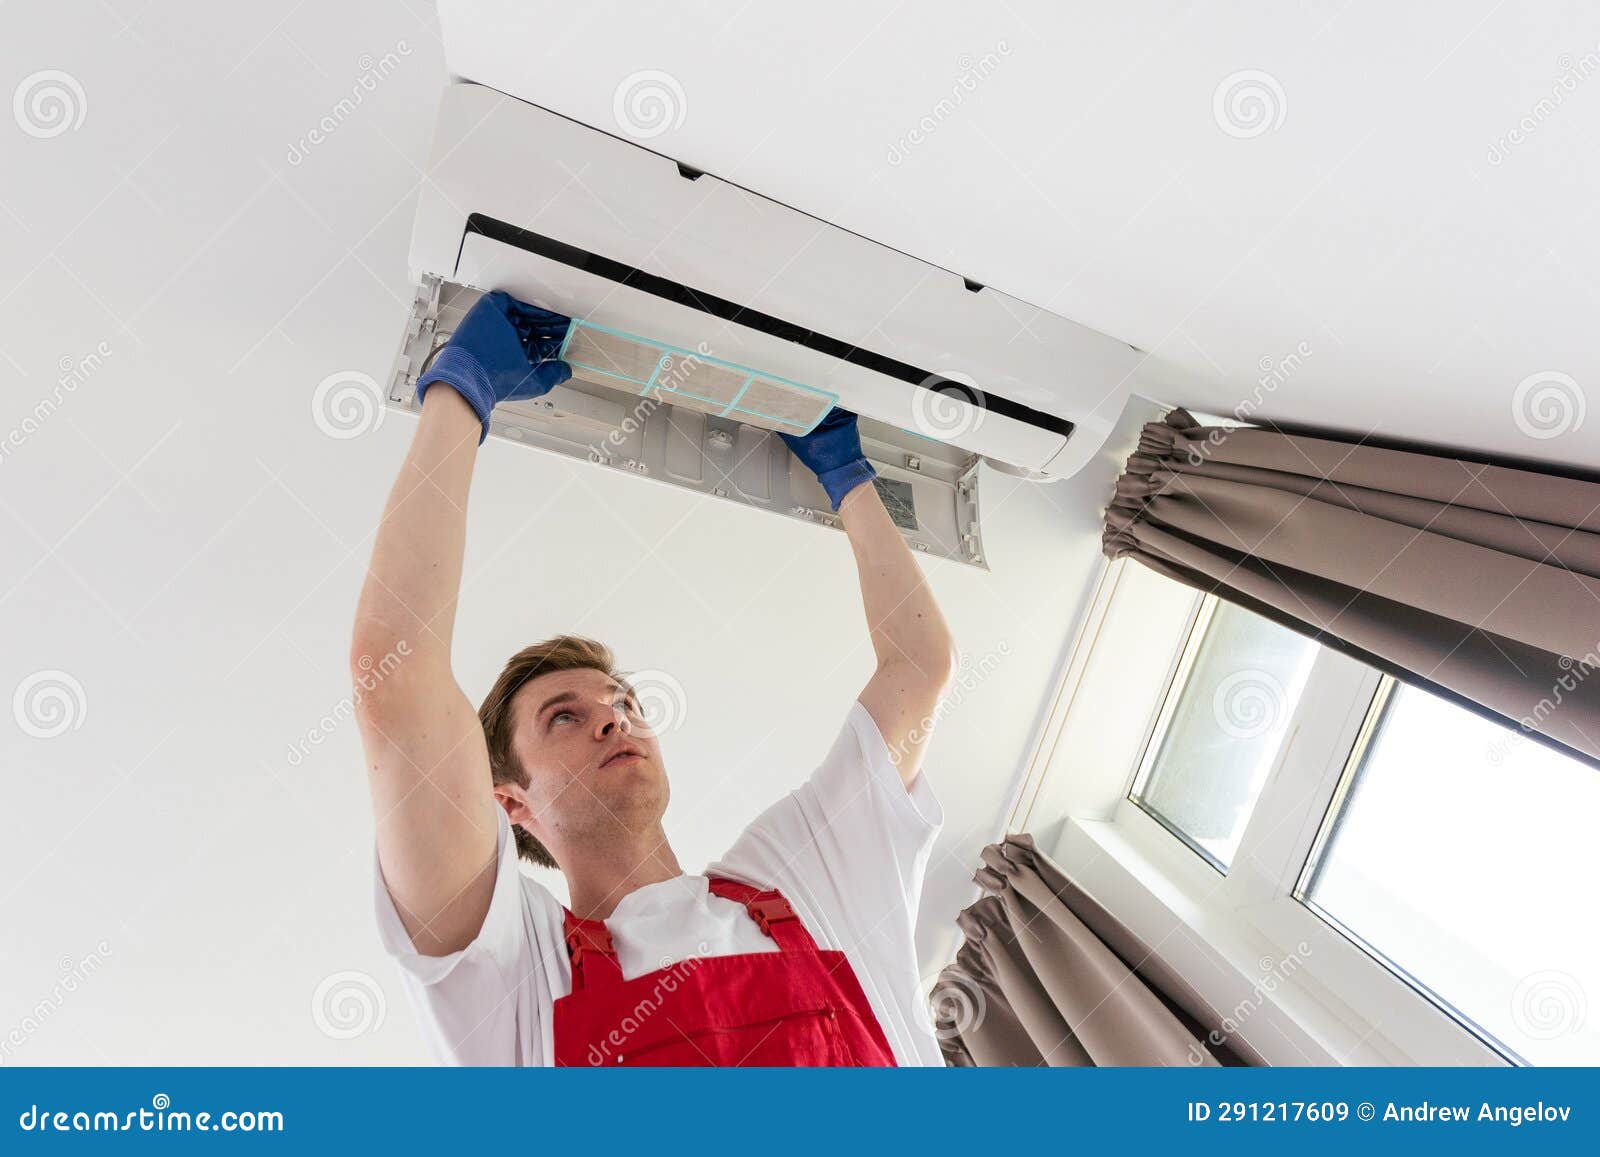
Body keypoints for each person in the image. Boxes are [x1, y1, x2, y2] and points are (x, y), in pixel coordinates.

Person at [350, 290, 959, 1066]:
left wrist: (849, 475)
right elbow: (393, 676)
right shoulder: (516, 973)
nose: (615, 719)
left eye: (625, 701)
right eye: (563, 718)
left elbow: (920, 665)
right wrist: (459, 388)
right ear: (510, 801)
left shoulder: (802, 876)